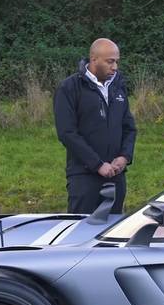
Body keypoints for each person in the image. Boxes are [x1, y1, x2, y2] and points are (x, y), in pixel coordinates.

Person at [54, 38, 136, 214]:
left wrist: (124, 157)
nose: (115, 67)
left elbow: (129, 127)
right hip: (84, 178)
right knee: (80, 233)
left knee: (113, 234)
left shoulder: (118, 87)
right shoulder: (69, 88)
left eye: (116, 62)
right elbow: (67, 133)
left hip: (116, 177)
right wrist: (97, 164)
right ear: (94, 59)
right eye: (110, 61)